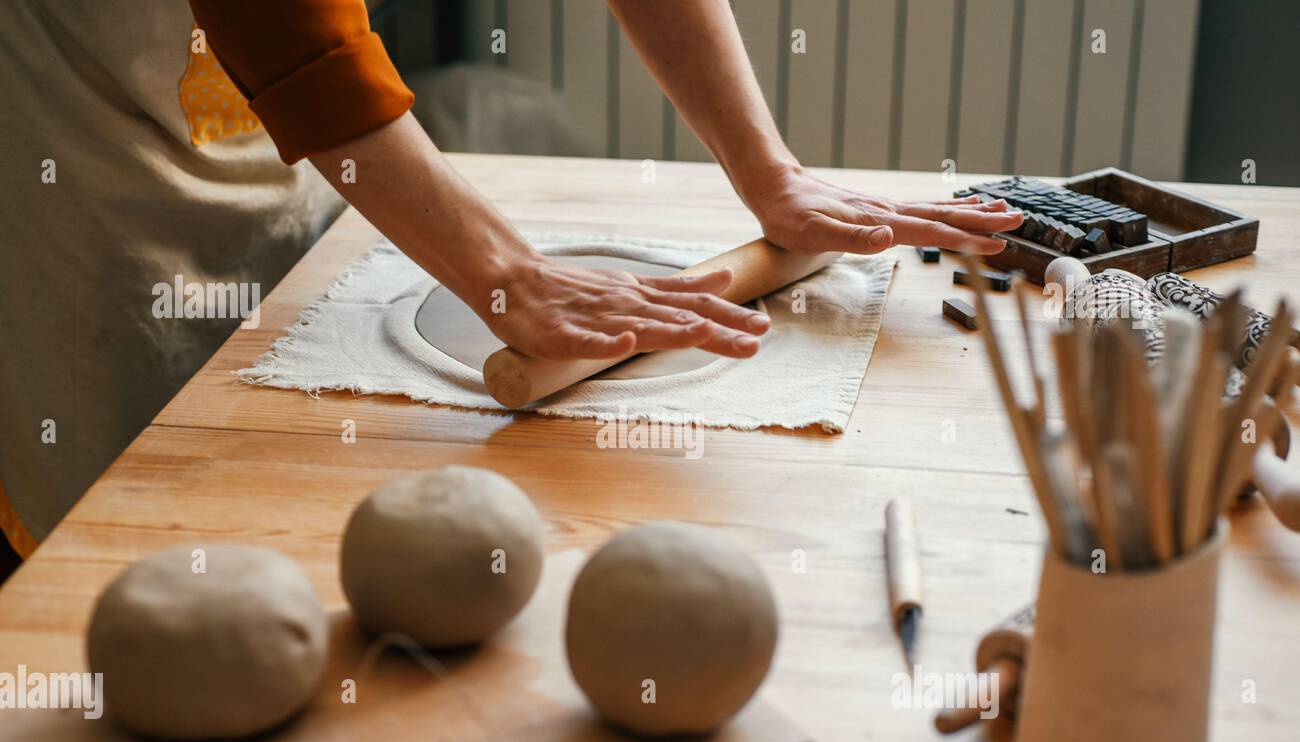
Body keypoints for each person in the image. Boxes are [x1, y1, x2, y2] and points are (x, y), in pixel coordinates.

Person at [0, 0, 1020, 562]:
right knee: (127, 508)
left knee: (279, 439)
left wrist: (767, 170)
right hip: (78, 131)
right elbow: (287, 26)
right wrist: (502, 270)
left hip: (277, 128)